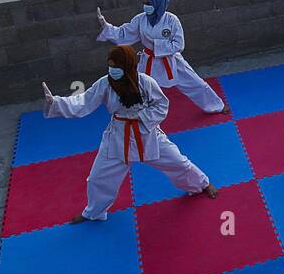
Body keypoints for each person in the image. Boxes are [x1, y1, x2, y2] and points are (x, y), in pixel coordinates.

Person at [42, 45, 217, 223]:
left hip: (147, 133)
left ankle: (202, 183)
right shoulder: (105, 83)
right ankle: (93, 212)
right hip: (118, 136)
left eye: (116, 67)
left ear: (128, 65)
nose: (112, 70)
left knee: (179, 163)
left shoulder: (146, 82)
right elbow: (84, 101)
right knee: (97, 178)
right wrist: (56, 102)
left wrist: (141, 117)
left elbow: (162, 105)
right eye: (110, 66)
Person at [96, 0, 229, 115]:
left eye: (149, 3)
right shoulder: (140, 19)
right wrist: (105, 26)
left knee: (196, 84)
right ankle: (131, 114)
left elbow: (179, 44)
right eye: (144, 3)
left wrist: (157, 45)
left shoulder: (171, 20)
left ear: (159, 2)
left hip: (171, 60)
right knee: (136, 88)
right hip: (148, 61)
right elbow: (123, 34)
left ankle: (216, 106)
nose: (146, 6)